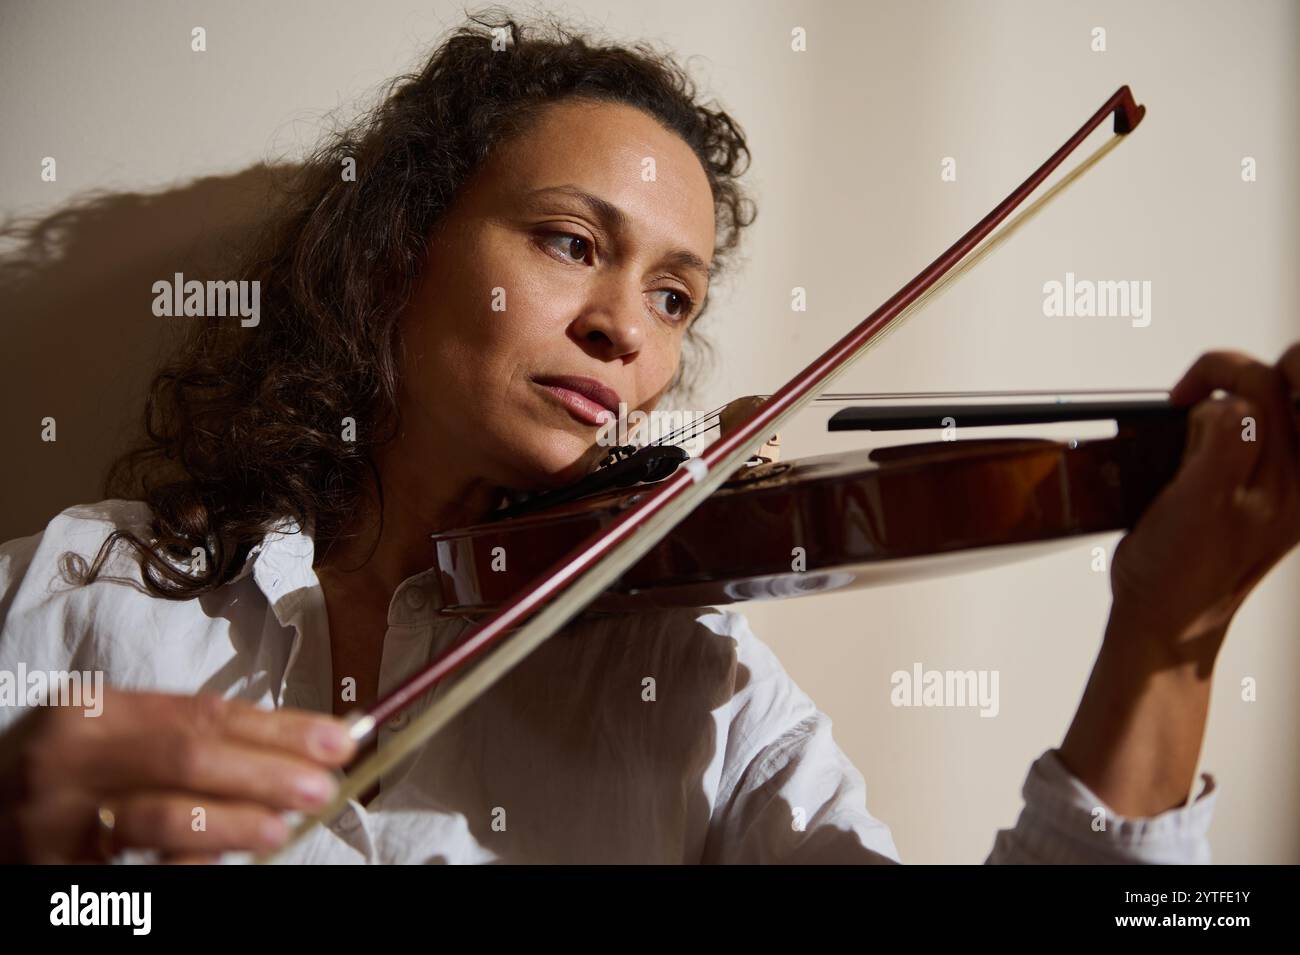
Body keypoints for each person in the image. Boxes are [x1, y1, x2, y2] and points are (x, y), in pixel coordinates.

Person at [1, 11, 1297, 865]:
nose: (629, 329)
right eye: (572, 244)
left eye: (676, 297)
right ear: (399, 253)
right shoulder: (72, 598)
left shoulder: (695, 692)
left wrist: (1164, 641)